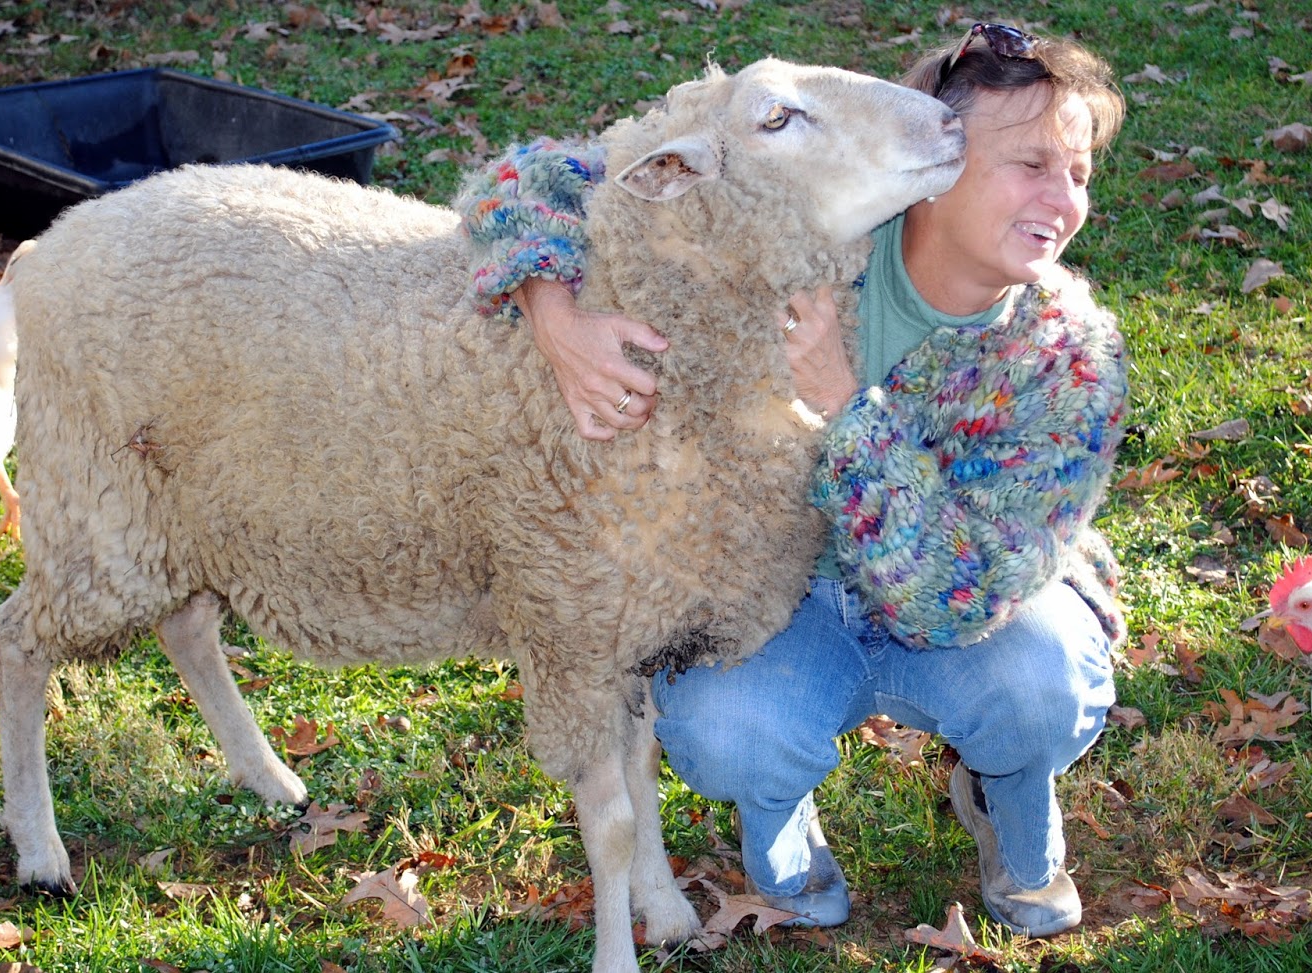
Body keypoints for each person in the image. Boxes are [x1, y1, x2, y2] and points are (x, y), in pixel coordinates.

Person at [455, 22, 1128, 938]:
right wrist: (553, 312)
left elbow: (957, 599)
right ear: (943, 153)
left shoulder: (1068, 357)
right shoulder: (821, 241)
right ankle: (781, 820)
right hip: (795, 600)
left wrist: (846, 405)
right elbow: (533, 175)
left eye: (1077, 173)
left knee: (1042, 688)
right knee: (724, 726)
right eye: (1031, 165)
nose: (1064, 199)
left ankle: (1012, 805)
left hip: (977, 622)